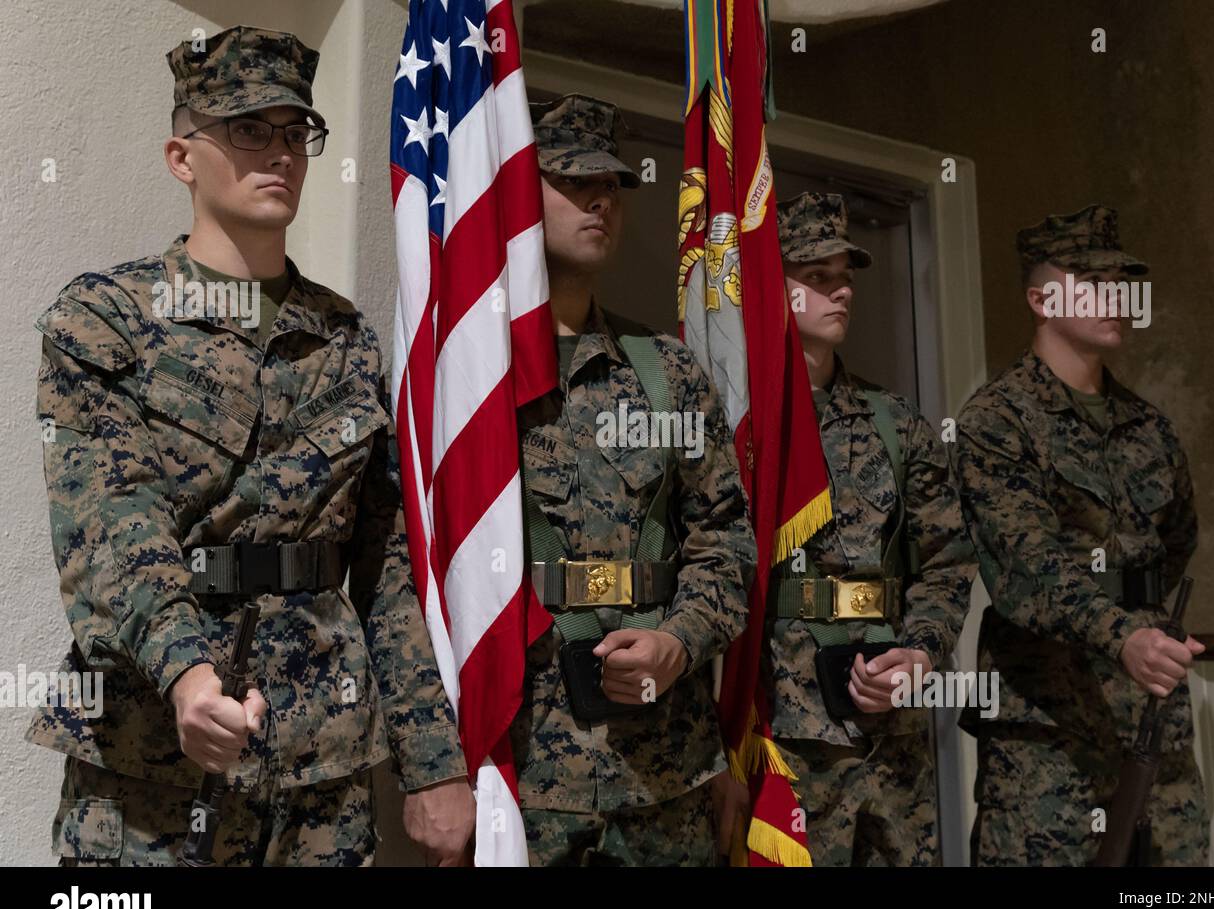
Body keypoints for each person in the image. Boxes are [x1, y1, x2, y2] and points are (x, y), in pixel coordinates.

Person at [30, 25, 465, 866]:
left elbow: (387, 564)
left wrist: (432, 763)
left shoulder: (345, 339)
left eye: (295, 132)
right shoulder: (107, 320)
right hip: (153, 757)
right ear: (181, 156)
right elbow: (112, 529)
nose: (280, 154)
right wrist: (191, 677)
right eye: (247, 129)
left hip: (319, 767)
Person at [420, 93, 756, 866]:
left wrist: (679, 640)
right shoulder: (463, 385)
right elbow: (416, 586)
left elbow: (725, 542)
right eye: (572, 182)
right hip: (518, 776)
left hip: (660, 774)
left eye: (610, 184)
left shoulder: (666, 372)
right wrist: (434, 767)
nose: (599, 200)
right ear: (511, 189)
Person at [954, 204, 1209, 866]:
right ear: (1041, 298)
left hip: (1151, 716)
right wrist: (1122, 633)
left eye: (1121, 281)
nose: (1115, 297)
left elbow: (1175, 543)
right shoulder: (997, 420)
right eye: (1092, 281)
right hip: (1049, 723)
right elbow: (1025, 565)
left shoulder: (1149, 426)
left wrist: (1142, 627)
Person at [723, 191, 973, 866]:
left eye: (846, 275)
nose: (842, 292)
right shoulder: (735, 431)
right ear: (774, 286)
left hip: (892, 738)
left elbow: (946, 562)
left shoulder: (897, 423)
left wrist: (921, 652)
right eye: (817, 276)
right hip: (787, 735)